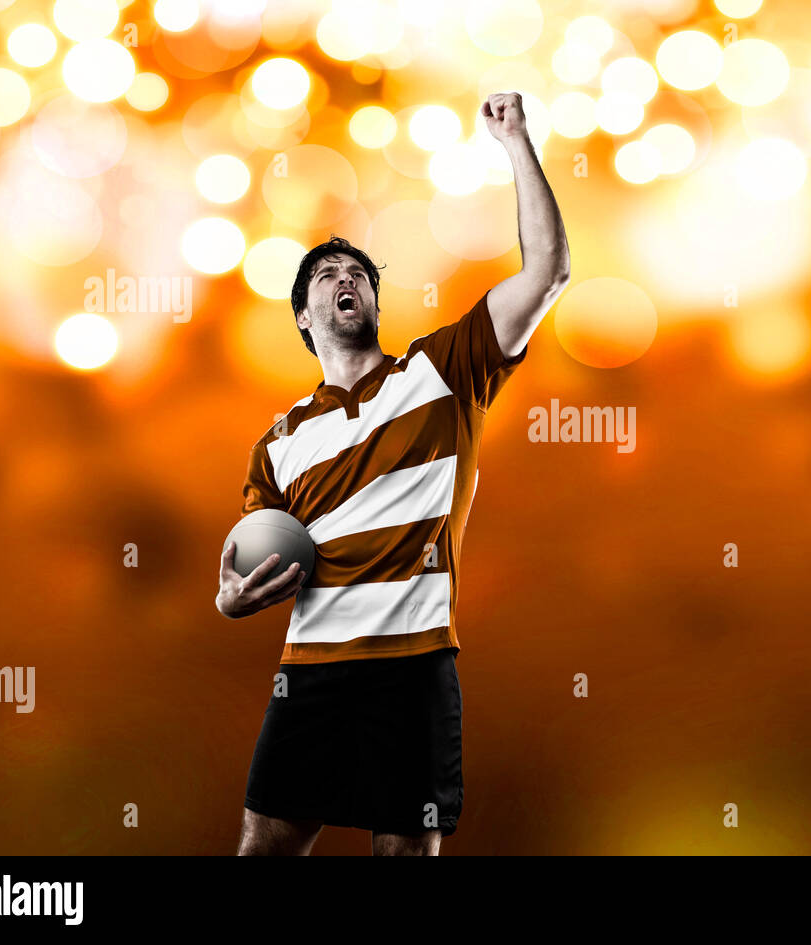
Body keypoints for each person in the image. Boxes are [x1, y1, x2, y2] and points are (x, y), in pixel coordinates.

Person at [215, 92, 570, 855]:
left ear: (372, 298)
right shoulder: (277, 442)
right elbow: (252, 559)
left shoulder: (443, 370)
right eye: (327, 273)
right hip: (308, 672)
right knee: (263, 842)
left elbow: (547, 270)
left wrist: (516, 144)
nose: (347, 277)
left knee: (405, 851)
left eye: (359, 272)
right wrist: (230, 597)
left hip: (413, 665)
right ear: (305, 317)